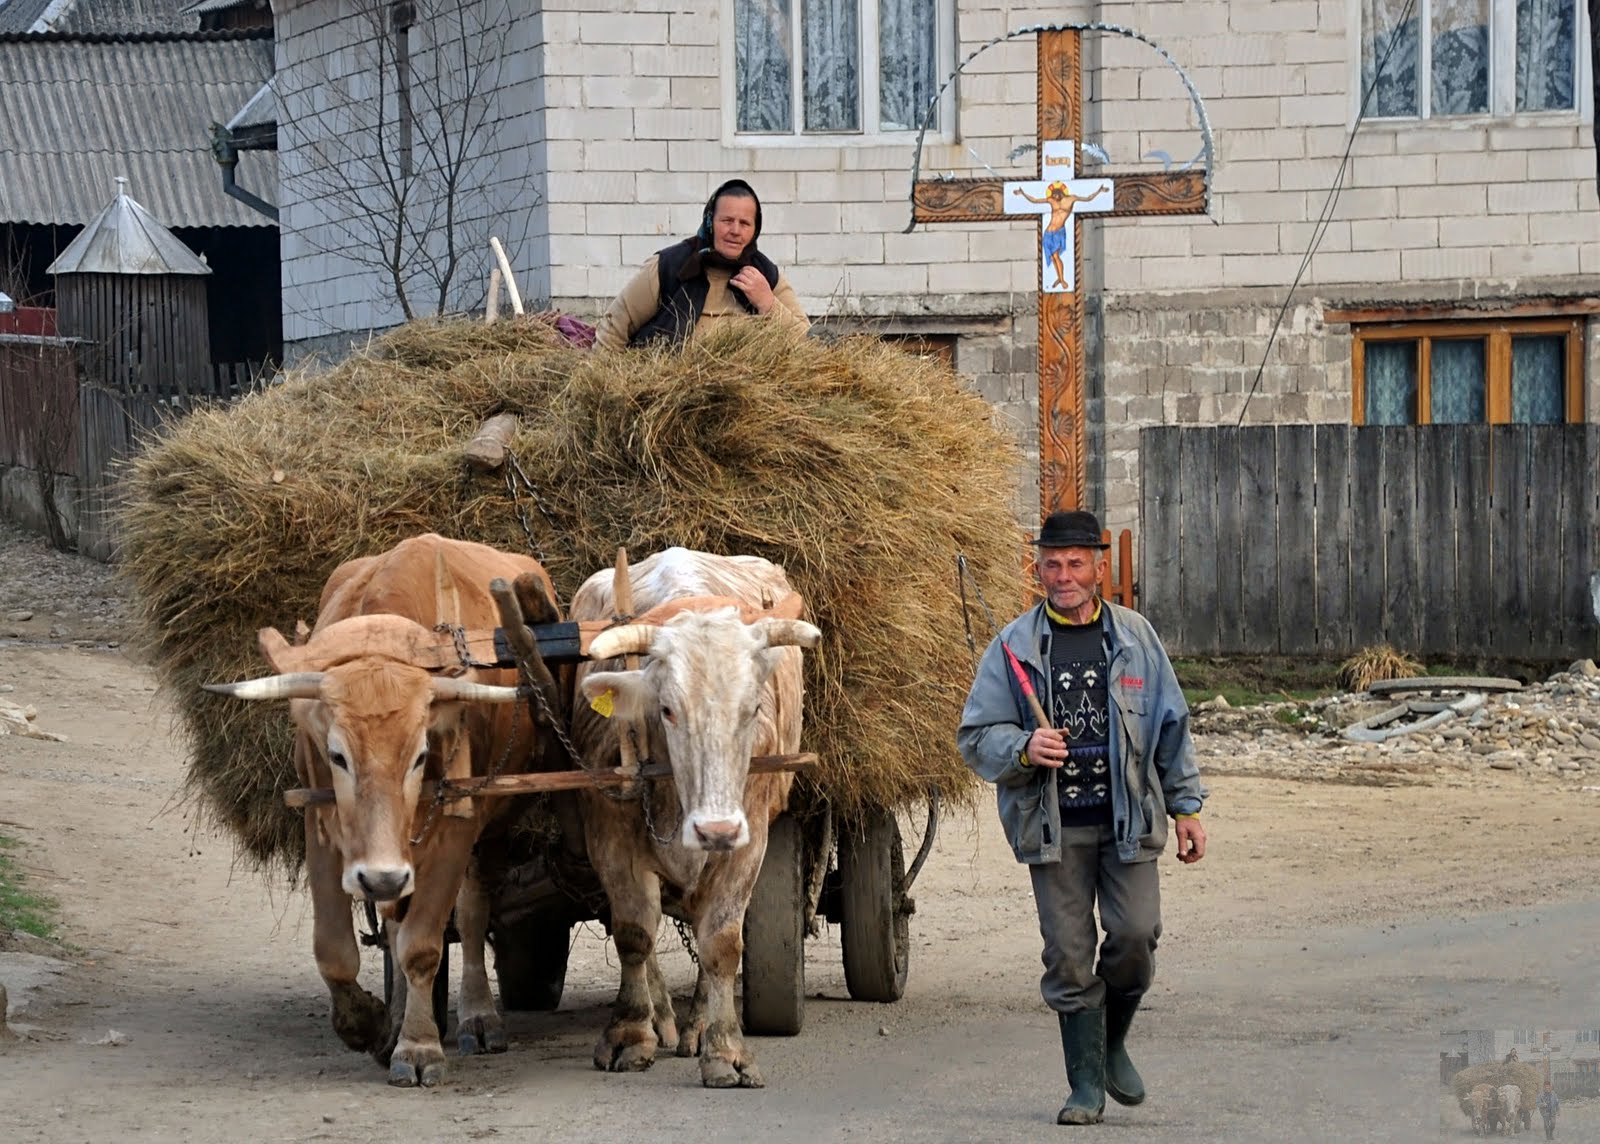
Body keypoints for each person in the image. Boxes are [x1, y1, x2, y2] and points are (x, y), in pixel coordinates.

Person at [957, 509, 1206, 1126]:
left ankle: (1112, 1039)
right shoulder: (1012, 646)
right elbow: (974, 736)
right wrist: (1022, 748)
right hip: (1055, 827)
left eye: (1075, 564)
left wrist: (1187, 808)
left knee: (1135, 938)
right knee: (1068, 957)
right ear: (1038, 569)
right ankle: (1086, 1085)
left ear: (1099, 567)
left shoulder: (1135, 637)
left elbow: (1170, 725)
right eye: (1051, 564)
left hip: (1129, 823)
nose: (1063, 576)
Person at [593, 178, 810, 351]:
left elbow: (809, 346)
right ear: (710, 222)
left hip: (748, 401)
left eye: (744, 223)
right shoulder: (669, 266)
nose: (735, 230)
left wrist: (768, 304)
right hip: (670, 397)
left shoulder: (766, 275)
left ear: (755, 230)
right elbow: (613, 329)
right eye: (726, 221)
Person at [1011, 181, 1110, 290]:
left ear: (1060, 192)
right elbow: (1034, 200)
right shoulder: (1051, 200)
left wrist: (1099, 191)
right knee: (1054, 257)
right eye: (1052, 196)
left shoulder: (1071, 198)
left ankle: (1062, 279)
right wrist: (1023, 193)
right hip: (1049, 232)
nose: (1054, 198)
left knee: (1056, 257)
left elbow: (1087, 198)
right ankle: (1059, 277)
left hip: (1059, 232)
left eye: (1055, 195)